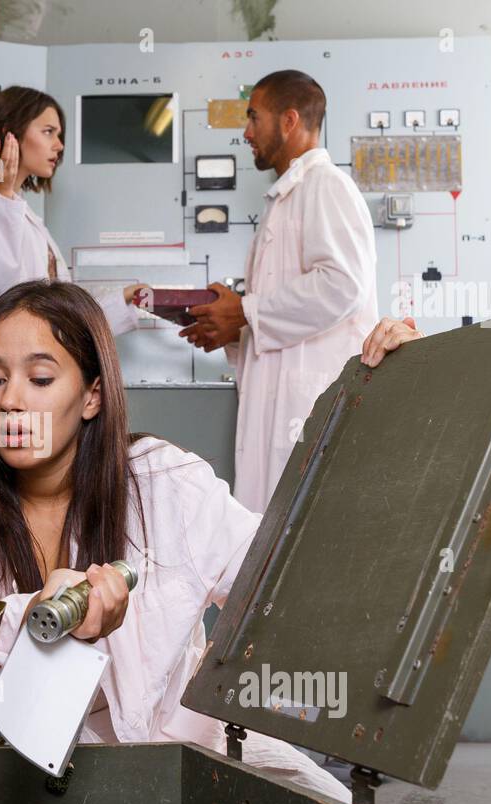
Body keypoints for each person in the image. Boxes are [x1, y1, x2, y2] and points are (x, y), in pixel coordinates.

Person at [0, 280, 420, 802]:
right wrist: (66, 624)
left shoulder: (163, 481)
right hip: (21, 755)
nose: (10, 402)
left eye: (40, 378)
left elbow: (287, 584)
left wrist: (390, 414)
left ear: (92, 396)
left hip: (183, 742)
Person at [180, 69, 382, 514]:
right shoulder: (288, 196)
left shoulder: (326, 186)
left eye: (254, 118)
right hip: (278, 413)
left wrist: (246, 313)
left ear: (289, 121)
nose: (247, 132)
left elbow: (342, 285)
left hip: (307, 410)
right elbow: (290, 317)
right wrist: (233, 329)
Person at [0, 85, 146, 393]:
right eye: (49, 132)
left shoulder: (25, 214)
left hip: (38, 378)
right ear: (11, 133)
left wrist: (124, 299)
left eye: (59, 135)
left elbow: (60, 314)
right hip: (0, 383)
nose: (59, 145)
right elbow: (0, 287)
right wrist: (0, 195)